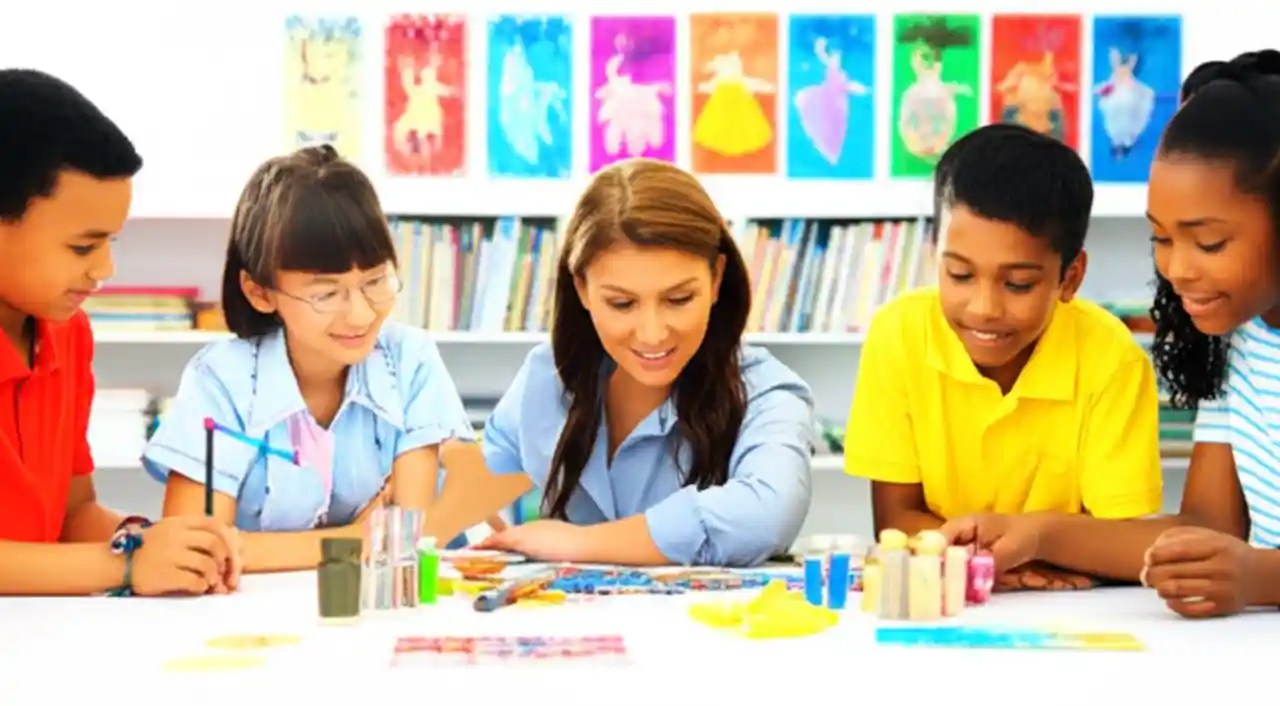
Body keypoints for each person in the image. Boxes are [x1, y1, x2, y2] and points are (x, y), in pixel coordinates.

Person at [955, 51, 1280, 618]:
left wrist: (1259, 576)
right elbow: (1208, 527)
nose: (1178, 269)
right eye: (1162, 239)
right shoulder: (1240, 339)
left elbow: (1243, 561)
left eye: (1209, 243)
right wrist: (1036, 535)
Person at [142, 145, 499, 573]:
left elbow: (401, 536)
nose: (360, 314)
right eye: (326, 294)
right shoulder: (221, 379)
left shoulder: (410, 359)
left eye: (375, 281)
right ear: (260, 292)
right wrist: (352, 538)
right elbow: (194, 555)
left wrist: (255, 549)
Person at [845, 123, 1163, 590]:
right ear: (936, 255)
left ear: (1070, 278)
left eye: (1018, 284)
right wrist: (993, 566)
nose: (984, 309)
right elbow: (896, 521)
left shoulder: (1113, 359)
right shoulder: (899, 334)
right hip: (958, 595)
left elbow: (1124, 541)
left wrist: (1031, 545)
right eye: (959, 274)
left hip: (1065, 607)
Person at [471, 158, 814, 567]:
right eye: (622, 303)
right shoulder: (547, 376)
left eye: (678, 299)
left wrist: (578, 543)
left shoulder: (767, 392)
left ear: (717, 279)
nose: (652, 334)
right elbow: (466, 500)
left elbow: (767, 515)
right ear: (582, 289)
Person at [0, 69, 239, 596]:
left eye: (111, 242)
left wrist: (155, 541)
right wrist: (126, 566)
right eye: (83, 247)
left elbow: (74, 514)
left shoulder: (68, 334)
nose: (105, 269)